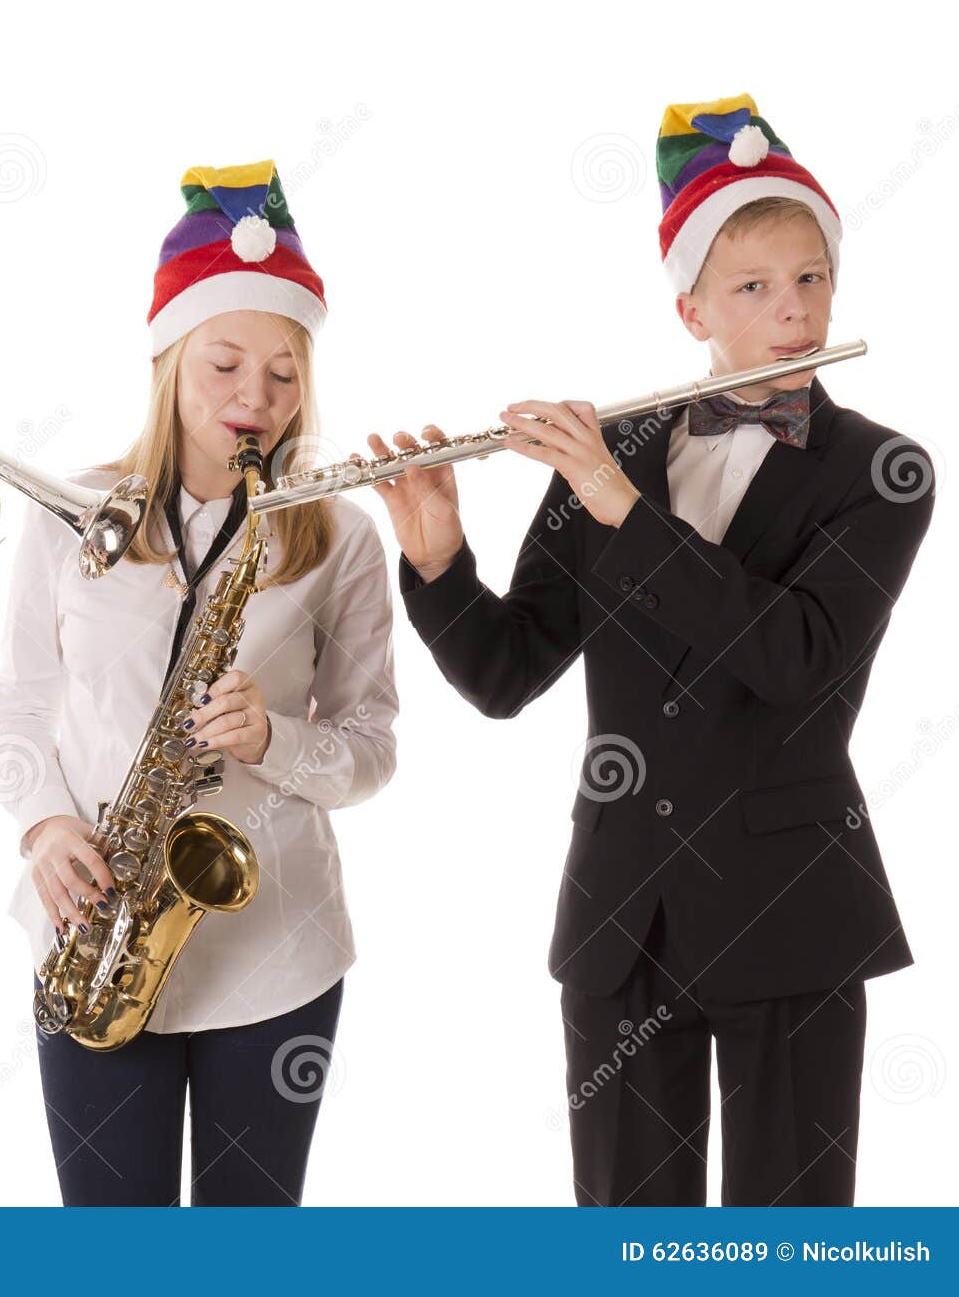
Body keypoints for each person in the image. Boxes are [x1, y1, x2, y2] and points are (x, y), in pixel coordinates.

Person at [372, 94, 935, 1205]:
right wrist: (439, 559)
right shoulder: (616, 452)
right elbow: (504, 673)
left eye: (811, 278)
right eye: (753, 288)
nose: (794, 313)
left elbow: (791, 658)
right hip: (622, 916)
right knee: (625, 1247)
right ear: (691, 311)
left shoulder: (882, 471)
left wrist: (618, 507)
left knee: (792, 1249)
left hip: (793, 909)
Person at [0, 160, 398, 1205]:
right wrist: (42, 824)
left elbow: (371, 748)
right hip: (92, 929)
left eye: (282, 374)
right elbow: (20, 704)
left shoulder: (339, 534)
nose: (253, 402)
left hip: (275, 949)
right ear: (168, 358)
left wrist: (275, 742)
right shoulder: (74, 511)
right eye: (223, 364)